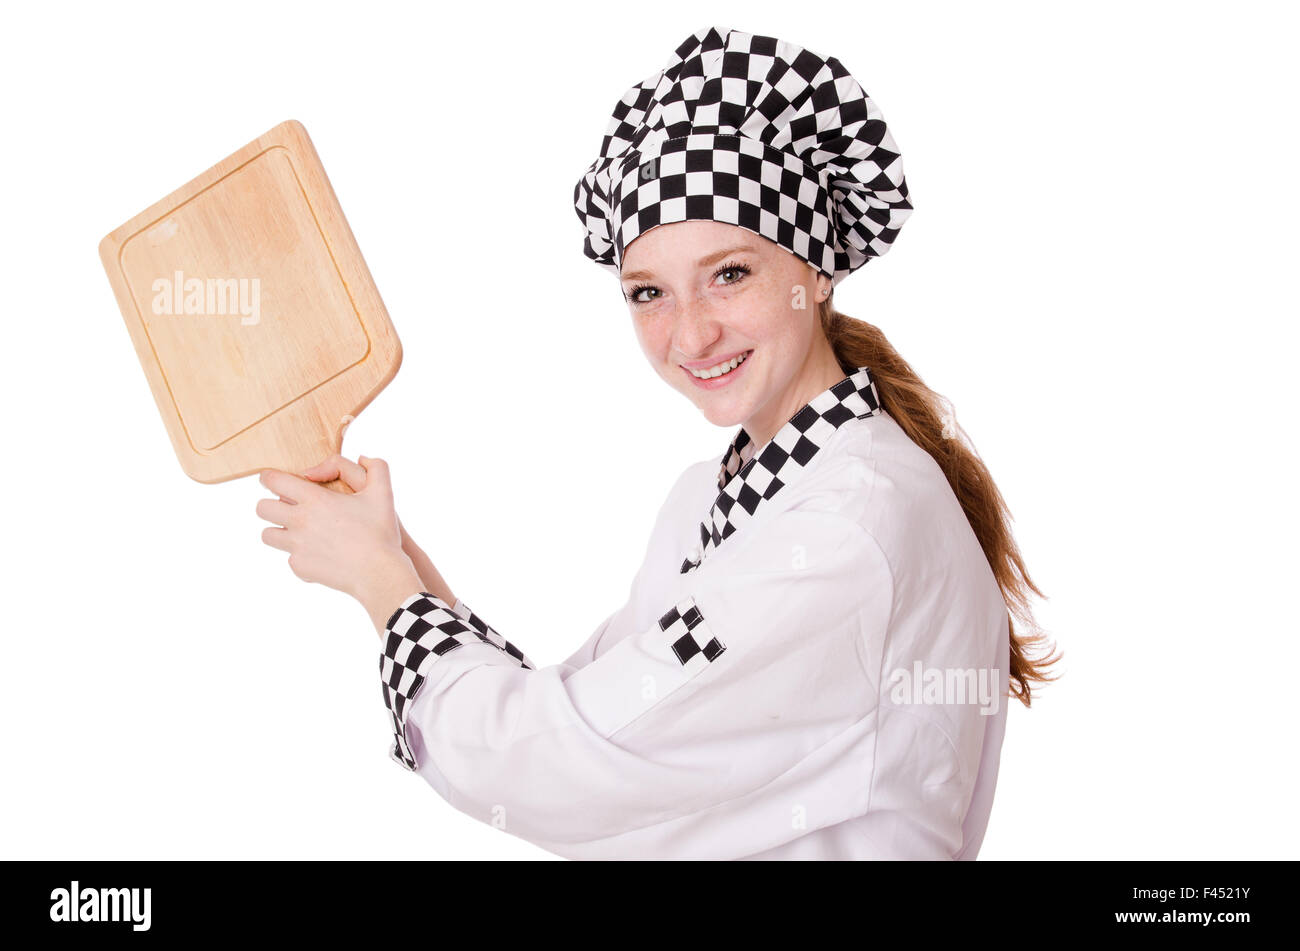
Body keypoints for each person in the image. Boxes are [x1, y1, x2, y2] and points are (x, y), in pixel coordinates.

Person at [255, 25, 1058, 860]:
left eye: (731, 273)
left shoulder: (847, 529)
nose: (692, 333)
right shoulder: (718, 498)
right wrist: (392, 556)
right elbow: (567, 709)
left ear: (815, 271)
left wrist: (380, 588)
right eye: (649, 292)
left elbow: (557, 767)